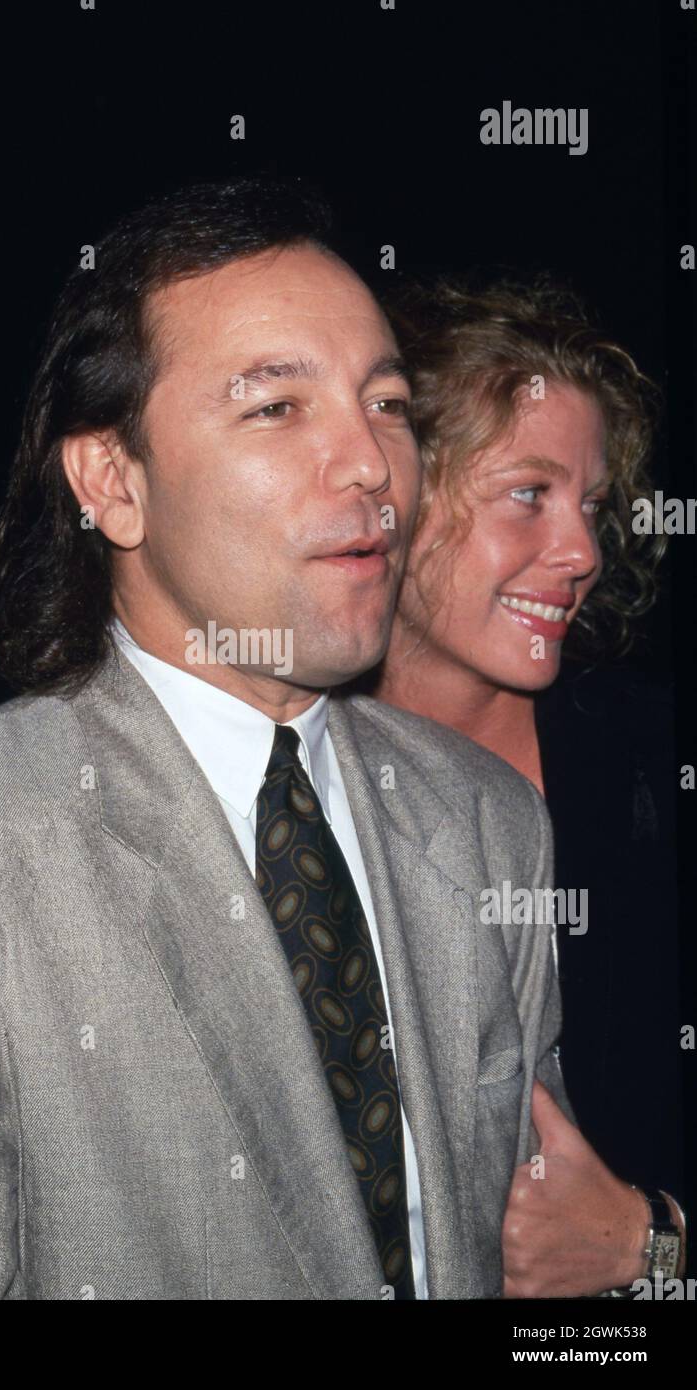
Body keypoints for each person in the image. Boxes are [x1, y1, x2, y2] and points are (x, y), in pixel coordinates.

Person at [0, 179, 580, 1300]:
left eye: (389, 406)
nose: (370, 467)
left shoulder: (488, 820)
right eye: (276, 408)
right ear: (112, 479)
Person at [365, 275, 686, 1297]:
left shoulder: (650, 768)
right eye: (528, 494)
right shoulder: (276, 769)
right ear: (392, 493)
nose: (583, 551)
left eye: (589, 504)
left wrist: (656, 1247)